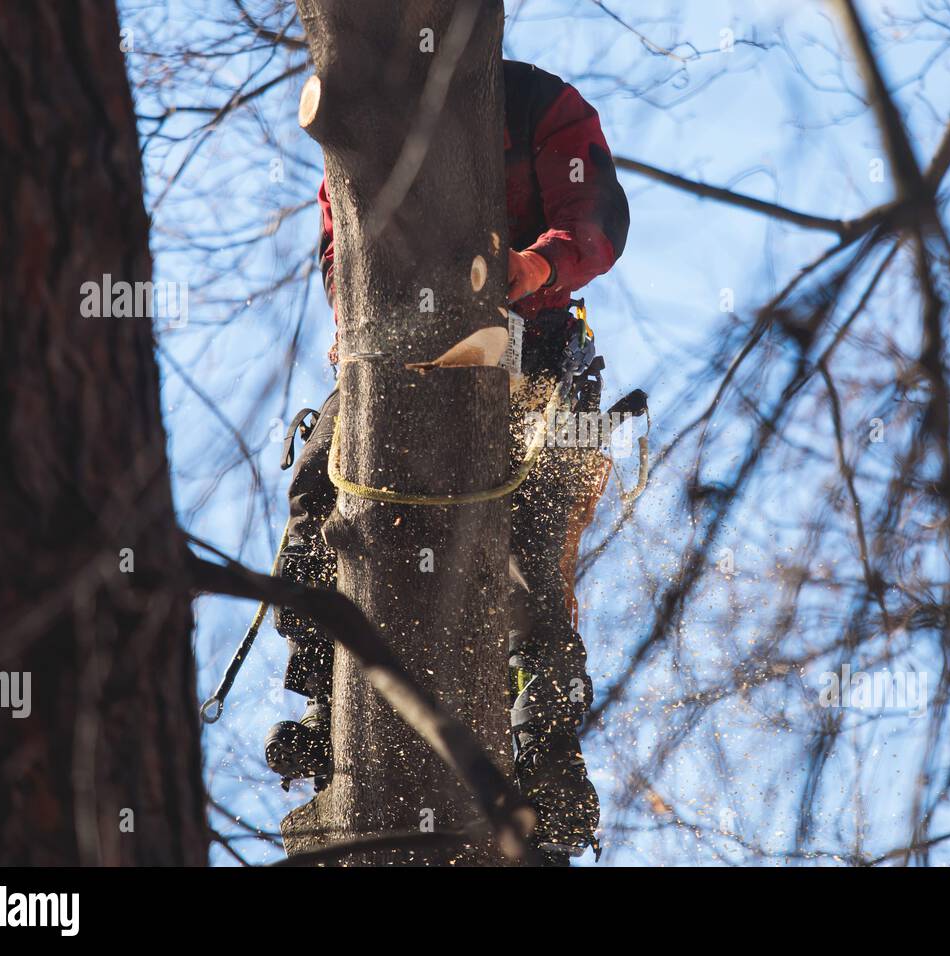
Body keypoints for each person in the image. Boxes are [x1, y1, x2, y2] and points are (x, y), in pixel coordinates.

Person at [263, 60, 630, 858]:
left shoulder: (537, 104)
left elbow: (598, 217)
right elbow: (339, 247)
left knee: (531, 536)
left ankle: (548, 748)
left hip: (535, 356)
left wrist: (536, 265)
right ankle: (325, 695)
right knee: (318, 484)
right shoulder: (360, 129)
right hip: (390, 357)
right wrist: (354, 318)